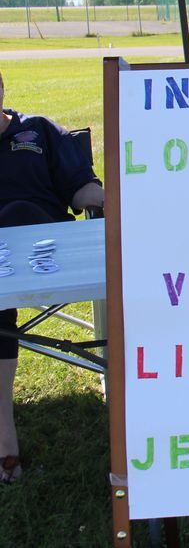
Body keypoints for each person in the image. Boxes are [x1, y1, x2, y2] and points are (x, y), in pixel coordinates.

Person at [0, 69, 103, 484]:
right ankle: (5, 440)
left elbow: (82, 188)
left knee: (18, 213)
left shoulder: (39, 130)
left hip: (49, 252)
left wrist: (118, 199)